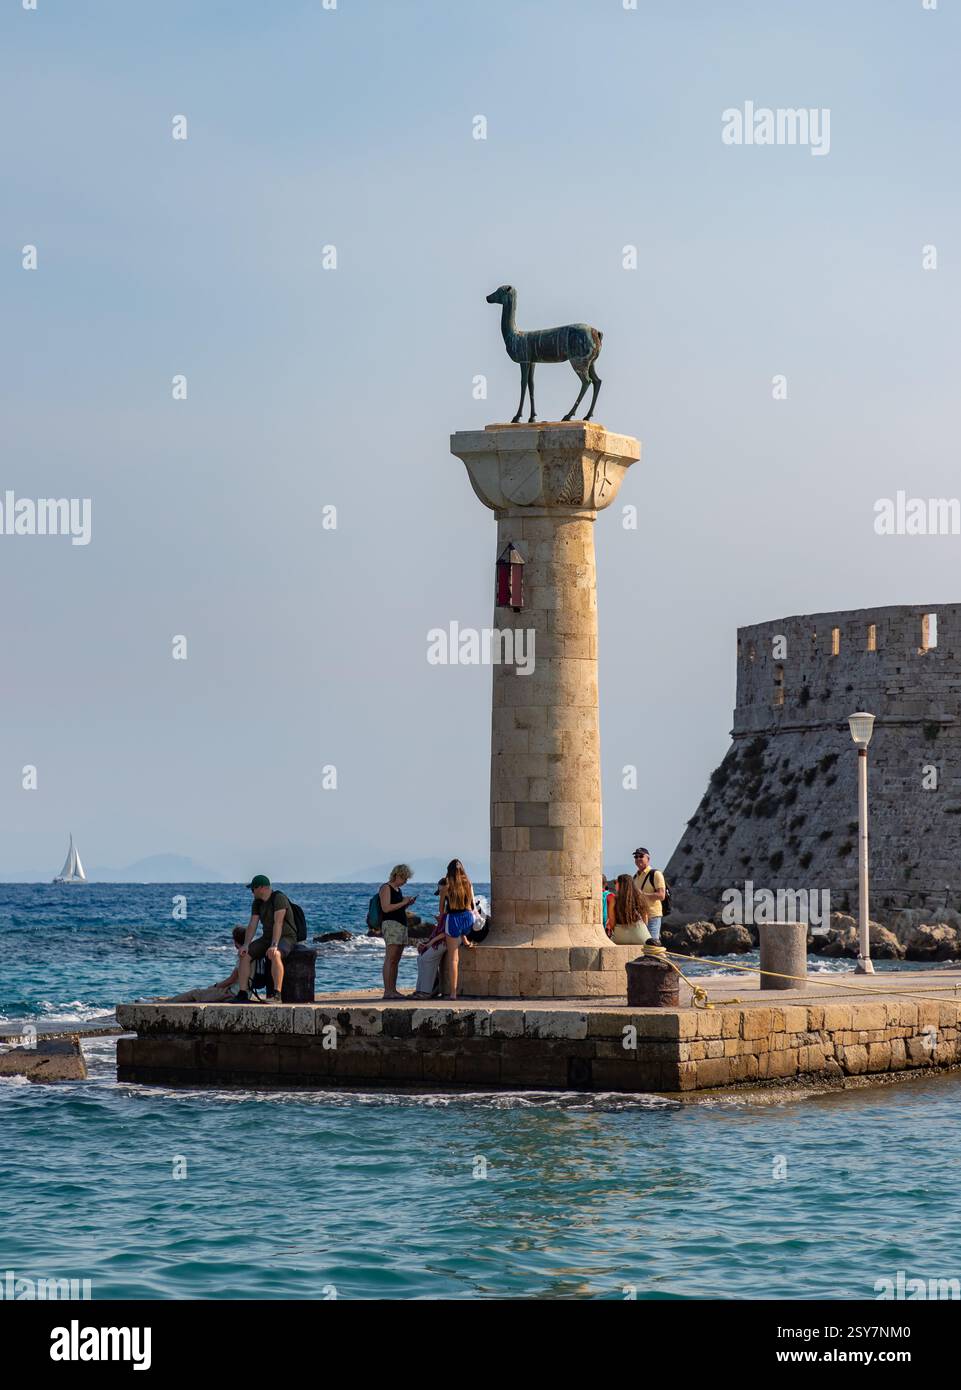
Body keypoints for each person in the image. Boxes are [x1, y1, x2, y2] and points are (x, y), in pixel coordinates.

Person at [235, 874, 298, 1002]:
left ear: (262, 888)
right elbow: (252, 924)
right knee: (244, 955)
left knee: (275, 954)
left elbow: (278, 923)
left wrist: (274, 945)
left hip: (286, 937)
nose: (252, 892)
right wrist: (246, 944)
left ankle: (277, 994)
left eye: (253, 889)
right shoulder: (257, 903)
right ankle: (243, 993)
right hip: (267, 937)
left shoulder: (279, 898)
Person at [438, 859, 476, 999]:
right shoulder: (468, 883)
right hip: (468, 919)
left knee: (453, 959)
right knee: (462, 929)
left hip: (453, 919)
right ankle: (465, 939)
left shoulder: (446, 887)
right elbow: (471, 905)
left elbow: (441, 910)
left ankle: (453, 993)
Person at [379, 864, 418, 999]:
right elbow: (386, 908)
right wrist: (403, 902)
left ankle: (393, 990)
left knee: (396, 959)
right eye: (404, 878)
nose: (405, 881)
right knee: (390, 958)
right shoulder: (386, 888)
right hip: (391, 925)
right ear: (397, 875)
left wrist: (406, 904)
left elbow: (396, 908)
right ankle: (387, 991)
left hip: (401, 925)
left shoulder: (398, 890)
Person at [633, 847, 667, 943]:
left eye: (641, 856)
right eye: (636, 857)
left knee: (653, 945)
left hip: (653, 916)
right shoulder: (635, 877)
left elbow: (661, 895)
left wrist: (643, 895)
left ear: (648, 858)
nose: (638, 858)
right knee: (641, 945)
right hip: (640, 918)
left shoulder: (656, 874)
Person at [611, 873, 651, 946]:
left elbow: (612, 921)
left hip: (621, 934)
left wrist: (616, 931)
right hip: (640, 933)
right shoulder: (640, 897)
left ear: (620, 884)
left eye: (616, 882)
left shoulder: (614, 899)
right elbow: (645, 918)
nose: (615, 885)